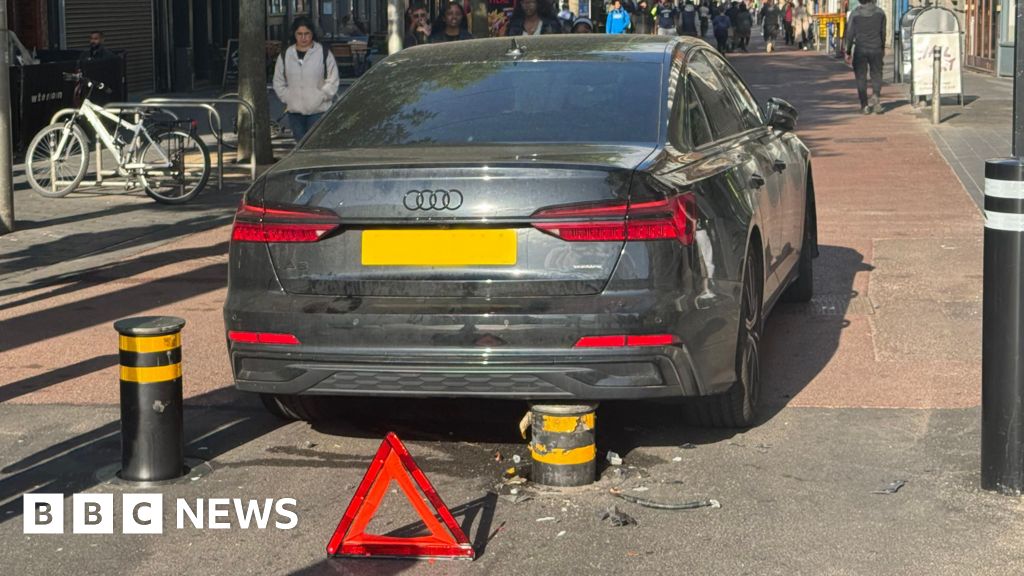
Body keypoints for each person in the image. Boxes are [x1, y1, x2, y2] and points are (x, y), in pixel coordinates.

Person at [272, 17, 340, 141]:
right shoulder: (286, 54)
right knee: (300, 146)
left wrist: (323, 95)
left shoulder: (323, 53)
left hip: (319, 110)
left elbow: (333, 78)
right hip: (295, 112)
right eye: (299, 34)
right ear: (294, 34)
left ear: (312, 34)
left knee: (315, 145)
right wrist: (287, 97)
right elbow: (278, 80)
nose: (303, 38)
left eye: (307, 34)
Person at [844, 0, 886, 114]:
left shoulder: (855, 13)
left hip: (860, 49)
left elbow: (849, 33)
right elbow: (883, 33)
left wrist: (847, 51)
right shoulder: (880, 13)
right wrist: (882, 48)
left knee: (861, 77)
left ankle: (864, 105)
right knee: (877, 74)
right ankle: (876, 96)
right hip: (876, 48)